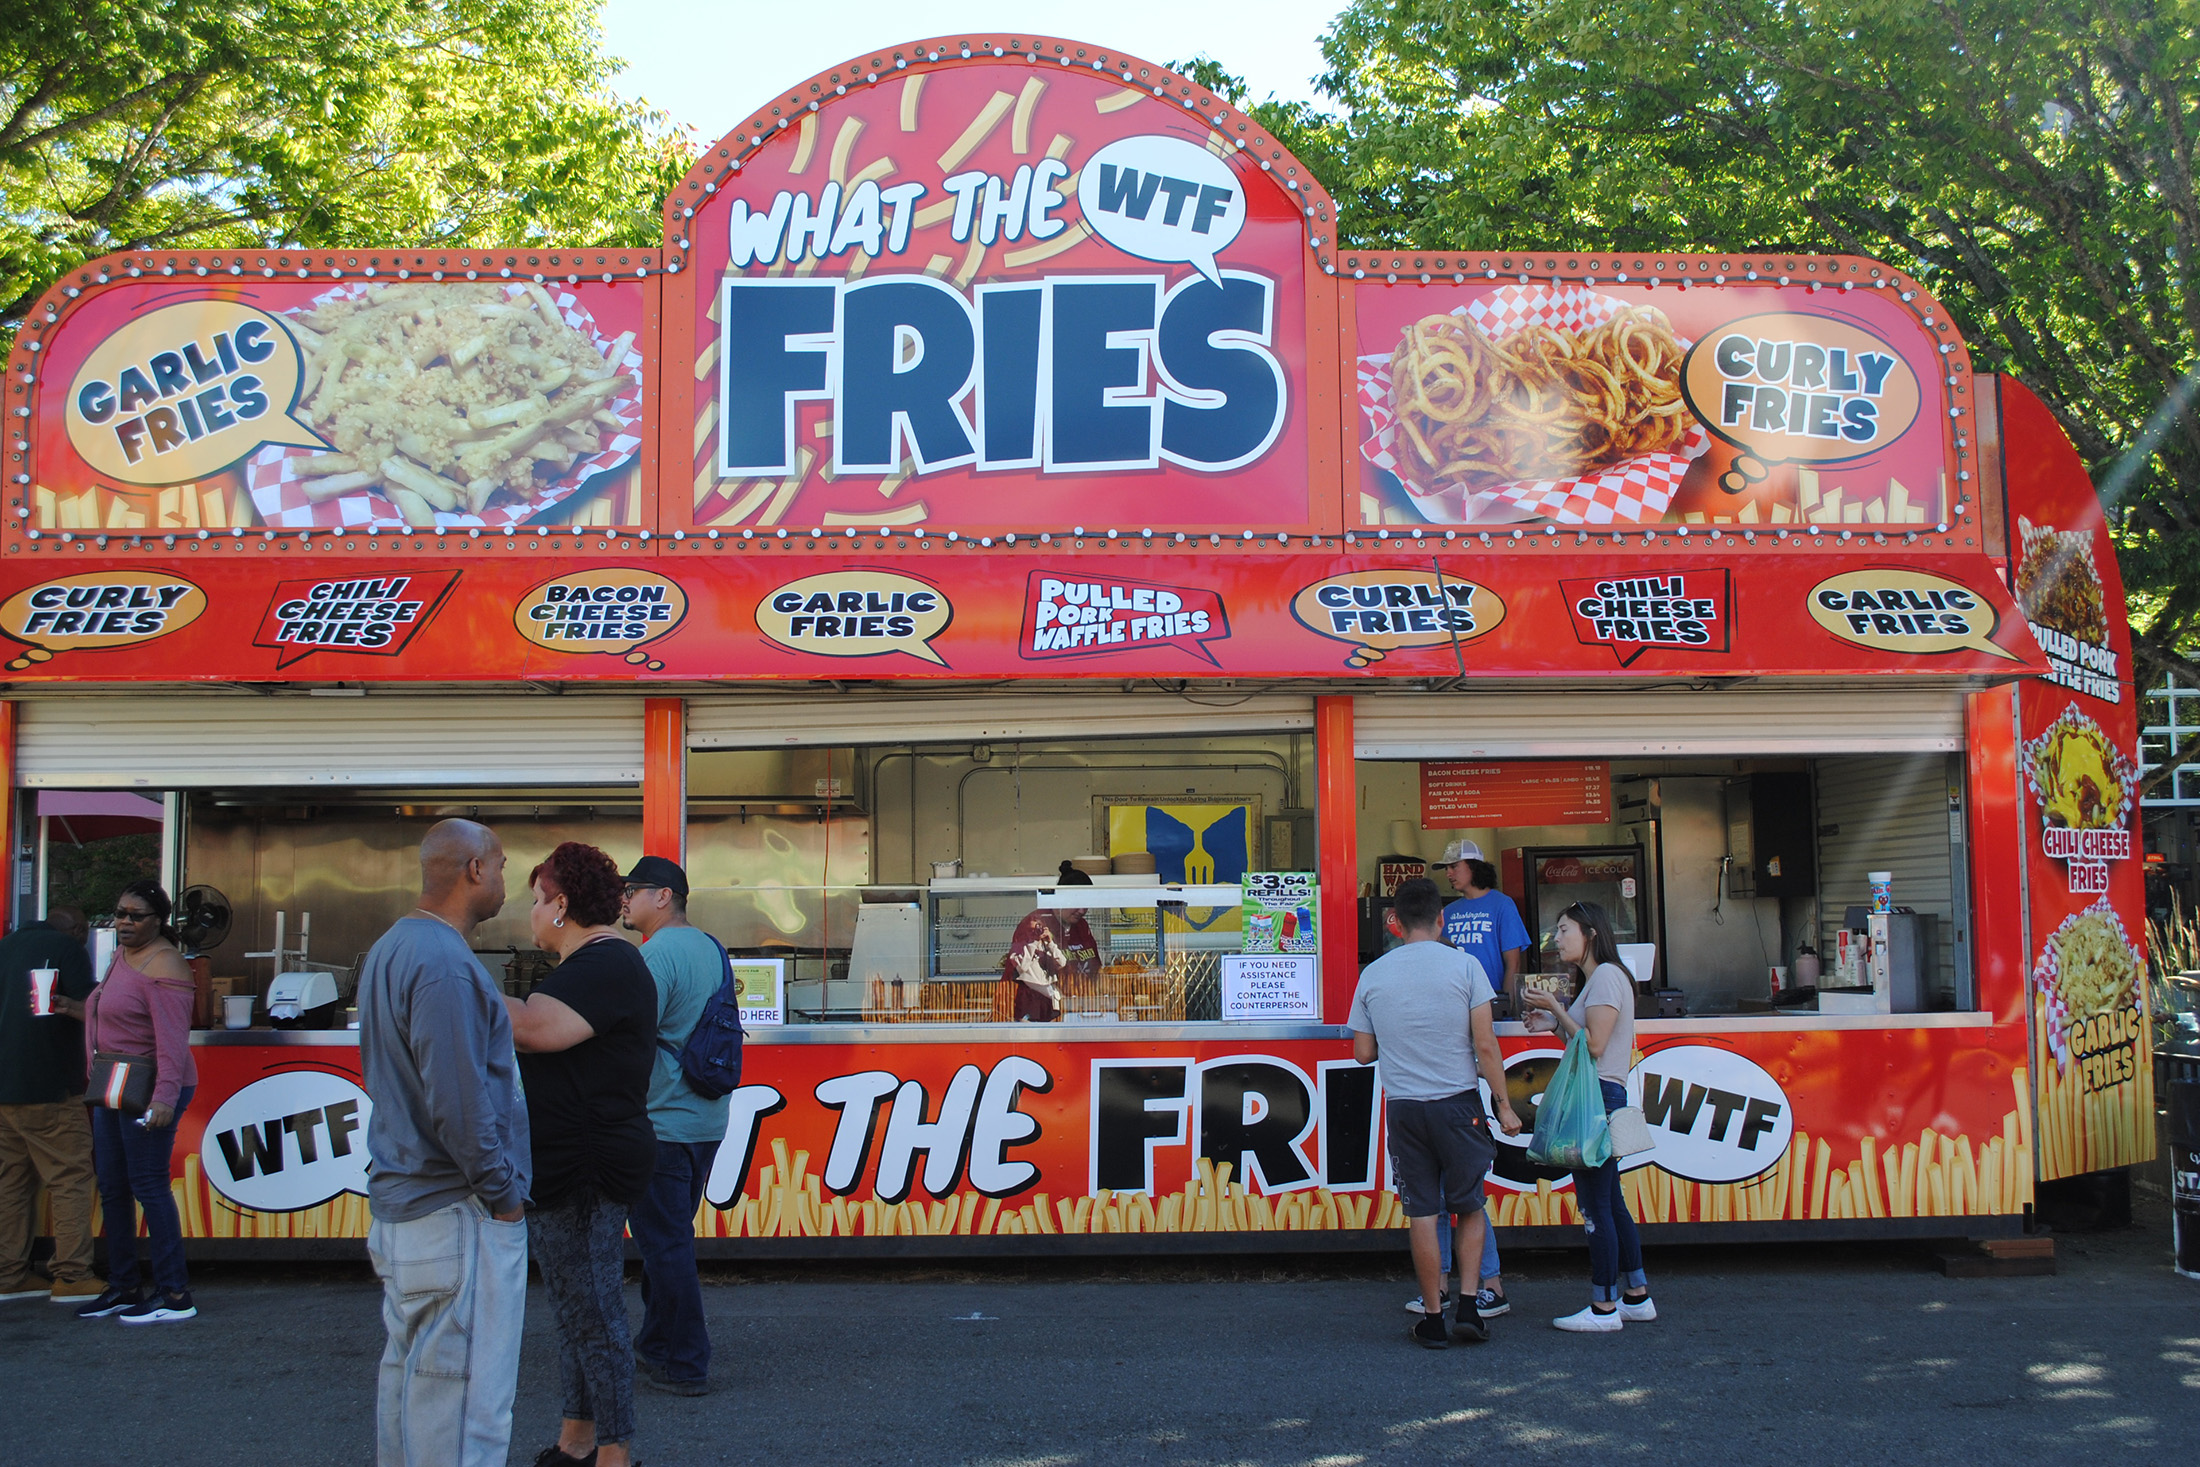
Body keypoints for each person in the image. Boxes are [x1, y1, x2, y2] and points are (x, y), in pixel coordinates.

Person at [357, 819, 531, 1467]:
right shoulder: (446, 964)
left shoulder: (392, 947)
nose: (508, 881)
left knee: (414, 1390)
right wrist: (503, 1195)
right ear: (475, 870)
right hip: (458, 1213)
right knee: (465, 1411)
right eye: (505, 866)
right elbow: (459, 1105)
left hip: (407, 1209)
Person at [507, 842, 658, 1467]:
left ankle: (615, 1455)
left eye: (538, 900)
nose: (533, 914)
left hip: (586, 1164)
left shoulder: (606, 964)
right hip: (572, 1161)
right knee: (575, 1310)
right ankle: (577, 1438)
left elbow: (537, 1029)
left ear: (562, 904)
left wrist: (444, 975)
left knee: (592, 1313)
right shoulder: (594, 964)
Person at [1348, 877, 1522, 1348]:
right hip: (1459, 1106)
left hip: (1405, 1108)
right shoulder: (1465, 967)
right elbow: (1485, 1045)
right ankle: (1470, 1305)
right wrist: (1504, 1106)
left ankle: (1431, 1316)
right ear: (1441, 920)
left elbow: (1364, 1054)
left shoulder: (1373, 974)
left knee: (1423, 1213)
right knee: (1469, 1205)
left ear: (1395, 923)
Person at [621, 854, 731, 1398]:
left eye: (633, 890)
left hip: (661, 1121)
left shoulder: (655, 955)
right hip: (708, 1118)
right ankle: (656, 1346)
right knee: (668, 1239)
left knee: (665, 1246)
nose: (625, 899)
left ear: (662, 896)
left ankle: (688, 1362)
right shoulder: (711, 947)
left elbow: (632, 1040)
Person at [1521, 901, 1656, 1333]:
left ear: (1590, 933)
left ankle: (1603, 1308)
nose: (1556, 939)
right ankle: (1637, 1295)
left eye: (1563, 930)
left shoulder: (1606, 978)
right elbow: (1588, 1039)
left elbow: (1595, 1046)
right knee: (1611, 1202)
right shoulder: (1601, 979)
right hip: (1603, 1094)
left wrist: (1556, 1009)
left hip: (1597, 1099)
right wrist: (1553, 1020)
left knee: (1596, 1205)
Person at [78, 882, 197, 1323]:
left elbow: (172, 1042)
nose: (124, 921)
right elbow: (108, 1011)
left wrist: (165, 1098)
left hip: (152, 1086)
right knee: (112, 1184)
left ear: (158, 920)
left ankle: (174, 1293)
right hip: (115, 1081)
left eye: (136, 915)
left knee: (148, 1185)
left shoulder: (166, 965)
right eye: (120, 912)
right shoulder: (122, 956)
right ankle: (125, 1285)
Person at [1429, 840, 1531, 1320]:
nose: (1449, 873)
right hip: (1455, 1018)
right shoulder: (1447, 912)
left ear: (1474, 866)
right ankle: (1463, 1285)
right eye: (1447, 868)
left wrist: (1508, 1005)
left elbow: (1513, 960)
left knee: (1457, 1184)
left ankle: (1474, 1285)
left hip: (1488, 1013)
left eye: (1454, 865)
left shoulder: (1501, 904)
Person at [0, 906, 100, 1306]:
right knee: (70, 1176)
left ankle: (9, 1274)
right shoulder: (67, 948)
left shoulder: (4, 946)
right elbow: (91, 1011)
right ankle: (73, 1276)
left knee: (11, 1183)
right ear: (79, 930)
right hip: (51, 1084)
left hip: (4, 1087)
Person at [993, 860, 1101, 1022]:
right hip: (1033, 1013)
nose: (1082, 911)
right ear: (1061, 898)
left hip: (1073, 1012)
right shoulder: (1035, 924)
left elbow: (1094, 966)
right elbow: (1027, 974)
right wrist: (1060, 996)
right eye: (1077, 904)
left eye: (1086, 904)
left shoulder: (1081, 925)